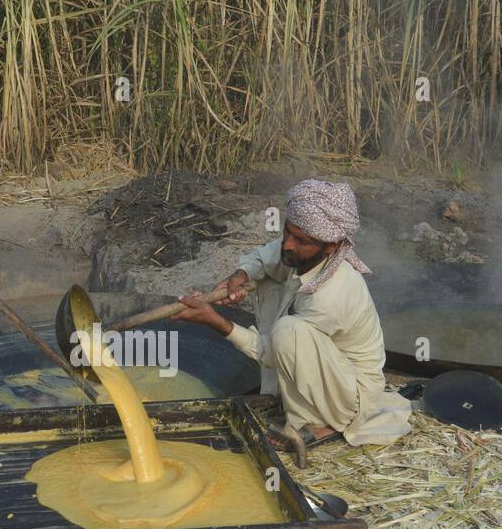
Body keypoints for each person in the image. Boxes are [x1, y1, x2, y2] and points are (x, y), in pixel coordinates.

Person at [172, 178, 412, 448]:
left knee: (288, 331)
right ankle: (290, 399)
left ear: (332, 246)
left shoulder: (332, 296)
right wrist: (240, 275)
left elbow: (270, 354)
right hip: (325, 371)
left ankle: (326, 423)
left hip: (350, 395)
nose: (288, 244)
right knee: (273, 277)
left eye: (301, 240)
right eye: (287, 232)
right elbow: (266, 257)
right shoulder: (302, 251)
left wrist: (217, 322)